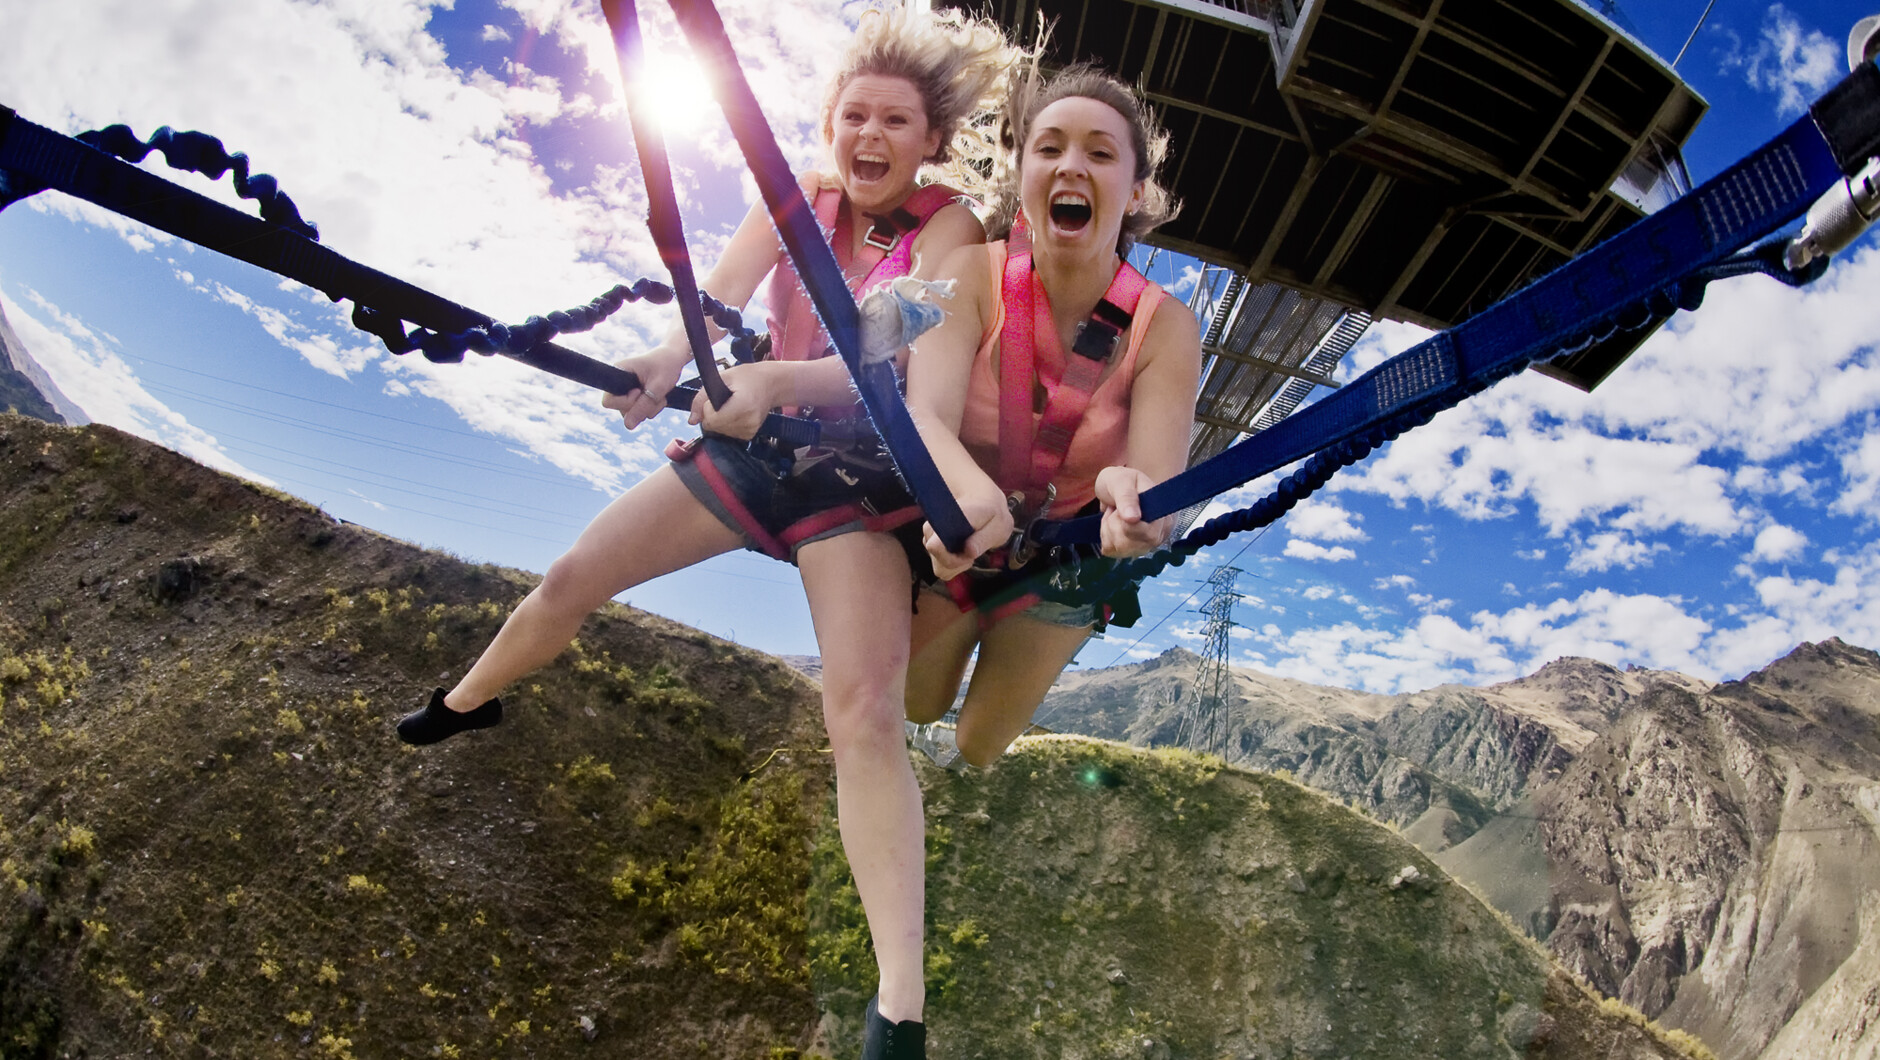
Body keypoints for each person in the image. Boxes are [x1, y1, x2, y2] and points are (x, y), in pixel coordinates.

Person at [396, 8, 1020, 1057]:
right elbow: (713, 302)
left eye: (893, 122)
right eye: (853, 115)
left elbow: (886, 359)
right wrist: (658, 363)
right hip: (750, 450)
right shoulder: (792, 201)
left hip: (854, 479)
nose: (868, 136)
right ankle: (466, 701)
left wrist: (773, 378)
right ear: (830, 125)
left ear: (928, 141)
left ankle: (900, 999)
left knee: (862, 715)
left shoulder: (950, 233)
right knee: (570, 576)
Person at [901, 63, 1201, 769]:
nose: (1072, 165)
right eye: (1050, 147)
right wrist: (971, 503)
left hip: (1064, 558)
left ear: (1135, 193)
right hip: (963, 530)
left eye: (1099, 153)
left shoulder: (1165, 327)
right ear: (1024, 174)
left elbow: (1157, 485)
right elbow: (924, 414)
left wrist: (1134, 509)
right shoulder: (974, 274)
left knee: (978, 746)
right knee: (917, 702)